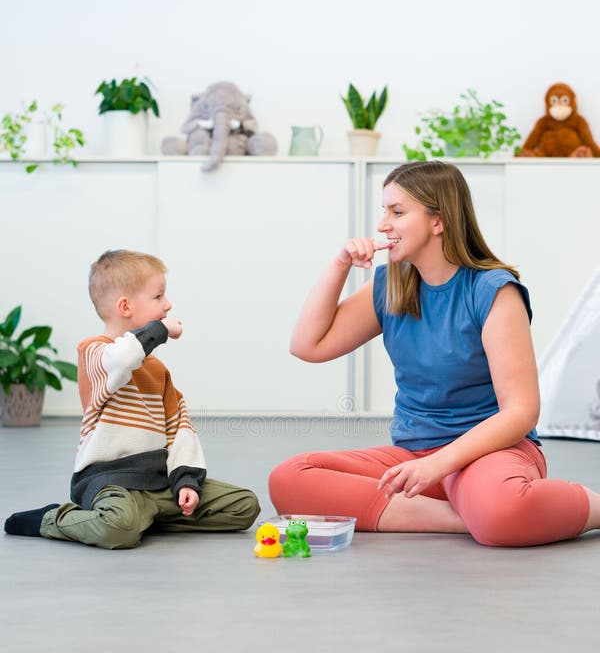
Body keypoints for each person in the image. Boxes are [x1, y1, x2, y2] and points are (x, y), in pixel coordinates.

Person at [269, 161, 600, 547]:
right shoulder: (391, 285)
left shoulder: (493, 291)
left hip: (488, 452)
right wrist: (339, 265)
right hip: (416, 456)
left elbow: (521, 412)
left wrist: (438, 465)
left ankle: (554, 506)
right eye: (384, 211)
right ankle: (470, 518)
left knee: (501, 511)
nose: (382, 225)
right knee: (290, 477)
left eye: (396, 212)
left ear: (437, 222)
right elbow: (307, 346)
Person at [4, 249, 260, 549]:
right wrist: (159, 331)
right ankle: (54, 519)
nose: (168, 305)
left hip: (158, 484)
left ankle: (145, 517)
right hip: (111, 483)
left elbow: (179, 428)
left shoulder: (157, 370)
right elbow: (122, 358)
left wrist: (185, 481)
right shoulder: (95, 354)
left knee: (244, 505)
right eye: (158, 297)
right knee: (117, 529)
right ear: (125, 306)